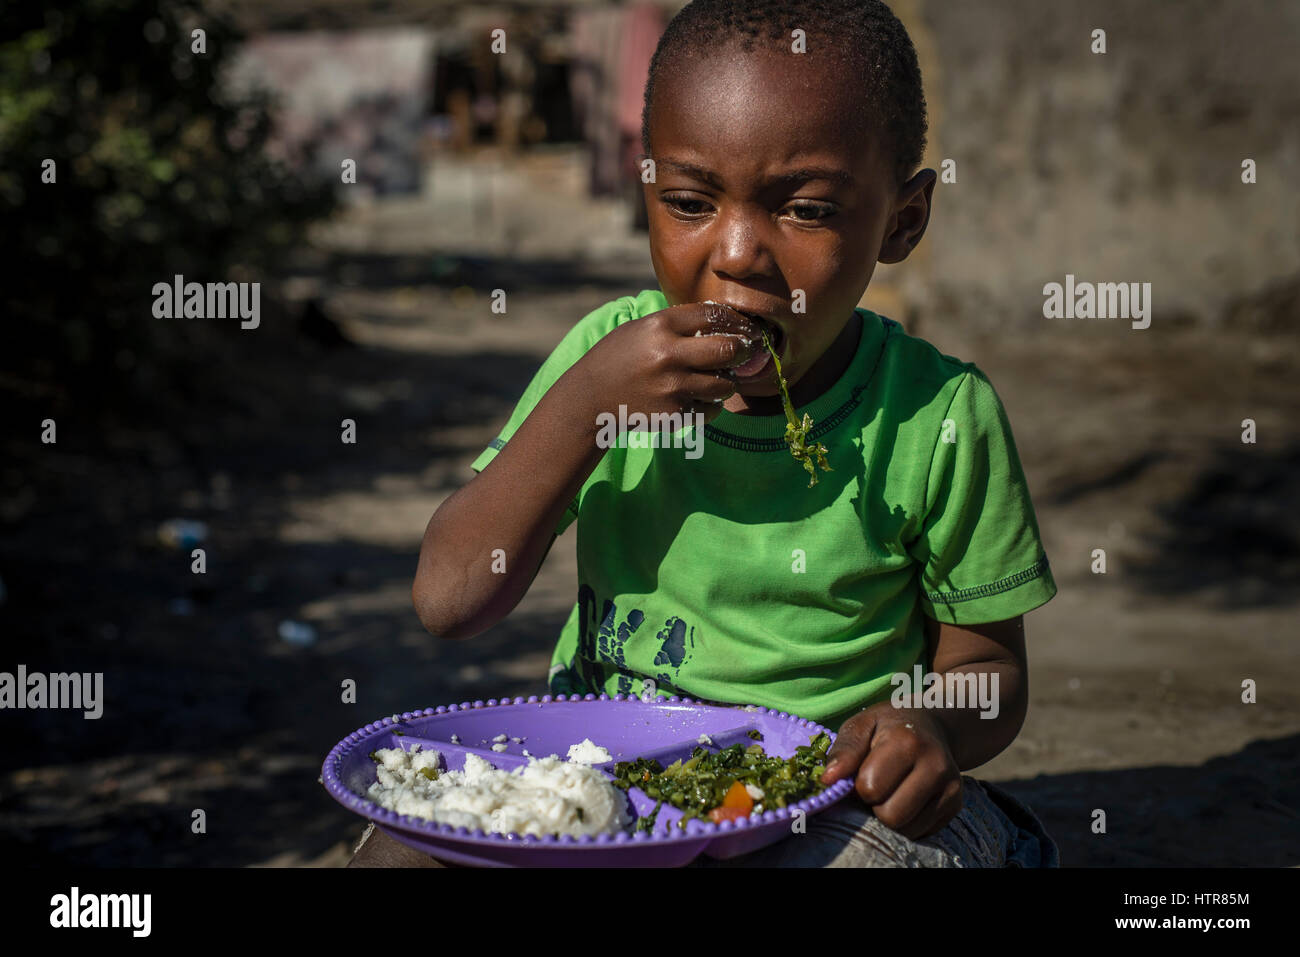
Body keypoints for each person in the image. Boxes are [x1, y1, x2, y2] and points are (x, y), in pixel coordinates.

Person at [356, 0, 1059, 868]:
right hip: (609, 781)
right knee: (403, 848)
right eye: (689, 202)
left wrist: (932, 724)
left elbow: (991, 674)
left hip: (828, 799)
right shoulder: (602, 360)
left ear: (901, 222)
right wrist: (583, 412)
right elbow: (452, 601)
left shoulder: (937, 414)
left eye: (804, 211)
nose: (736, 255)